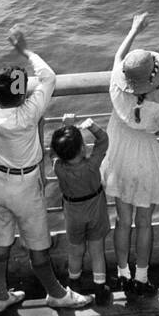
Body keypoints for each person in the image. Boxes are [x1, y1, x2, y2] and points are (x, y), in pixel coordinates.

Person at [0, 27, 89, 312]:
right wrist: (25, 51)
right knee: (38, 246)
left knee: (0, 243)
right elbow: (48, 76)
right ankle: (56, 294)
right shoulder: (28, 113)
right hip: (25, 186)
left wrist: (4, 85)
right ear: (22, 94)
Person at [101, 12, 159, 297]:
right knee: (144, 223)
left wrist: (133, 30)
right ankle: (141, 278)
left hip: (119, 160)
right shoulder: (154, 111)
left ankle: (122, 273)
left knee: (122, 220)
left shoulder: (116, 90)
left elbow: (119, 58)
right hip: (144, 163)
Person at [50, 115, 112, 303]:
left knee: (76, 250)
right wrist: (91, 126)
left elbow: (53, 153)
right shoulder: (92, 166)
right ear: (83, 148)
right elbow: (104, 140)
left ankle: (74, 284)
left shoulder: (58, 167)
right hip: (95, 210)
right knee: (97, 250)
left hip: (73, 213)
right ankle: (100, 289)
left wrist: (65, 126)